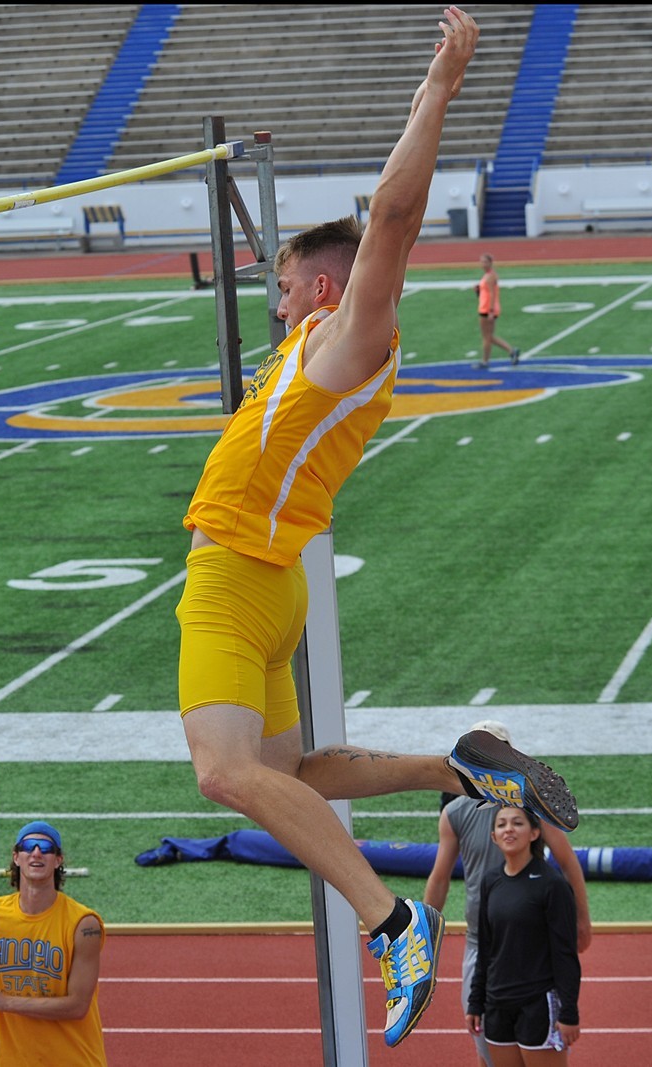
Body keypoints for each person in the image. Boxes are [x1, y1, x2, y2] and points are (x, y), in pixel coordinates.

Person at [175, 7, 579, 1047]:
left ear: (317, 289)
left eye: (277, 286)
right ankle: (460, 771)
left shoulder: (349, 340)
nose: (266, 303)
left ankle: (391, 918)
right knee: (288, 775)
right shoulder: (310, 343)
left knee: (224, 774)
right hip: (265, 584)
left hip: (236, 576)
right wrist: (419, 86)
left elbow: (388, 223)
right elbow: (361, 235)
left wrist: (440, 90)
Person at [424, 721, 592, 1067]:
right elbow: (440, 878)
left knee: (541, 1043)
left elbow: (568, 862)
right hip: (482, 942)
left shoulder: (536, 807)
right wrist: (425, 936)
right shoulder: (454, 813)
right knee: (485, 1042)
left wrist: (582, 919)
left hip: (533, 939)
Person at [0, 820, 106, 1066]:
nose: (37, 852)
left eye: (46, 847)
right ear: (16, 857)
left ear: (58, 860)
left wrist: (5, 1002)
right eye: (29, 846)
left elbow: (77, 1006)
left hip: (73, 1060)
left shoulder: (83, 924)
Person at [467, 807, 582, 1065]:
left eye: (517, 823)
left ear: (534, 833)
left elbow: (565, 954)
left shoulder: (552, 885)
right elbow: (486, 948)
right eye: (501, 824)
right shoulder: (490, 881)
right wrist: (476, 1001)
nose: (508, 829)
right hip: (497, 1004)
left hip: (537, 1003)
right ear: (494, 836)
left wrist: (569, 1012)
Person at [472, 253, 520, 369]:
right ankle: (511, 351)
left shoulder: (490, 276)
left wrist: (491, 311)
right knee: (489, 337)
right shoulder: (487, 275)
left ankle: (485, 361)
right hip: (485, 307)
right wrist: (477, 290)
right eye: (481, 262)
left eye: (485, 262)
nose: (483, 264)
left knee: (487, 337)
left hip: (487, 309)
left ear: (490, 263)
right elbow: (485, 294)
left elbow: (492, 294)